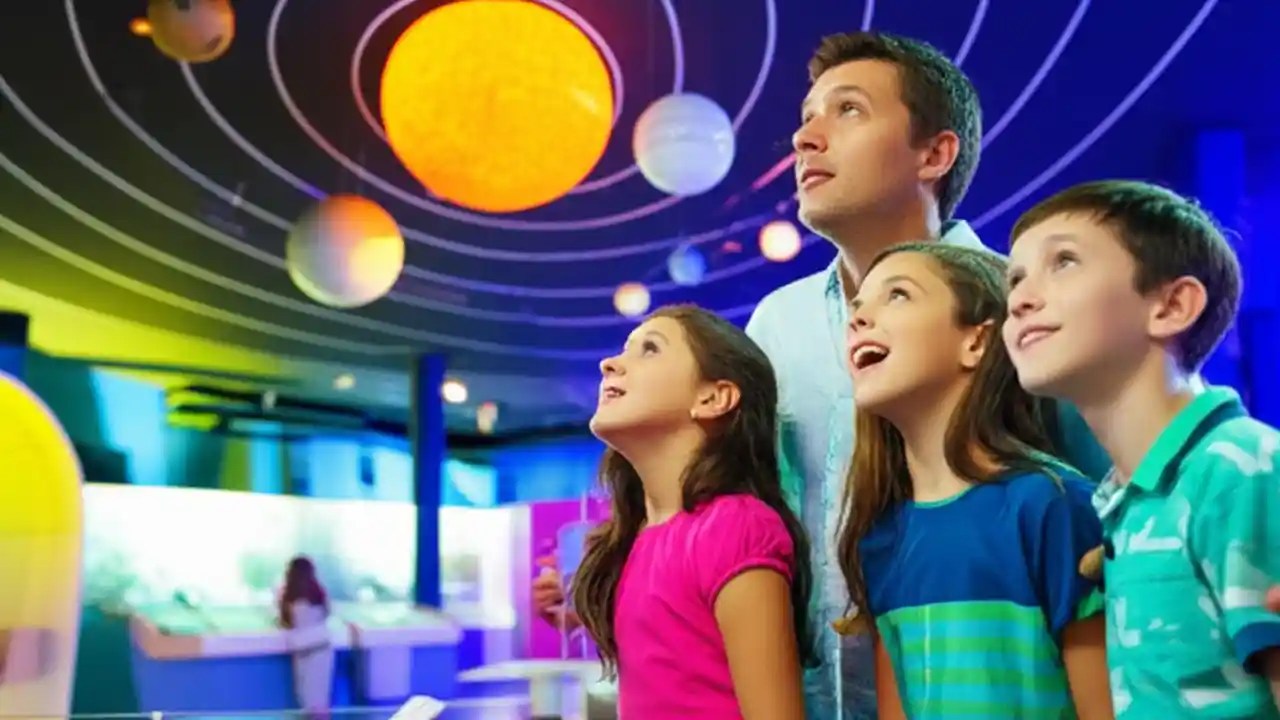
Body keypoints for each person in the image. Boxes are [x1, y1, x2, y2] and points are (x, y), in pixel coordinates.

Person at [536, 31, 1111, 718]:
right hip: (809, 693)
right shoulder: (778, 323)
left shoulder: (1024, 307)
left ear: (935, 152)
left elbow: (1109, 511)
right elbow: (732, 509)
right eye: (806, 118)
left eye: (848, 111)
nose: (806, 138)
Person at [1004, 179, 1280, 717]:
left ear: (1172, 305)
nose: (1019, 298)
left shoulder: (1239, 468)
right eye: (1015, 278)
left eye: (1063, 262)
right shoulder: (1121, 500)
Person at [835, 243, 1111, 718]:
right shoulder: (877, 536)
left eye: (897, 295)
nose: (858, 318)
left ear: (977, 342)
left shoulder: (1052, 505)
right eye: (856, 307)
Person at [570, 304, 815, 719]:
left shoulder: (737, 526)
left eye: (649, 349)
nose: (609, 363)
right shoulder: (635, 538)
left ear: (714, 397)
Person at [278, 555, 334, 720]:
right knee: (321, 701)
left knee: (307, 701)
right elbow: (327, 614)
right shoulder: (319, 592)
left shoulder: (289, 596)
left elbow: (286, 622)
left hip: (303, 650)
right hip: (322, 647)